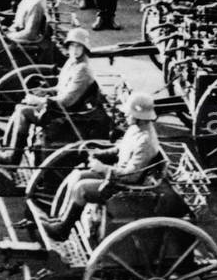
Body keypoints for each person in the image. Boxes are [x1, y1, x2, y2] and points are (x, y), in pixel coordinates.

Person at [42, 91, 164, 242]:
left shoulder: (145, 141)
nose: (124, 115)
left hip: (125, 186)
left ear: (138, 116)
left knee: (82, 188)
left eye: (128, 113)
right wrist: (100, 153)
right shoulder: (136, 128)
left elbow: (132, 175)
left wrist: (103, 168)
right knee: (77, 175)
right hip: (116, 176)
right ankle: (61, 220)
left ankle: (63, 230)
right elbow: (120, 149)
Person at [0, 25, 104, 164]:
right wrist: (46, 92)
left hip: (69, 113)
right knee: (21, 106)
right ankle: (10, 145)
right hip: (61, 106)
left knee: (23, 111)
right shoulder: (72, 62)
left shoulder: (82, 69)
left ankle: (13, 158)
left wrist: (40, 100)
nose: (75, 50)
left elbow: (67, 100)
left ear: (85, 48)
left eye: (79, 46)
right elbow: (62, 87)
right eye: (72, 46)